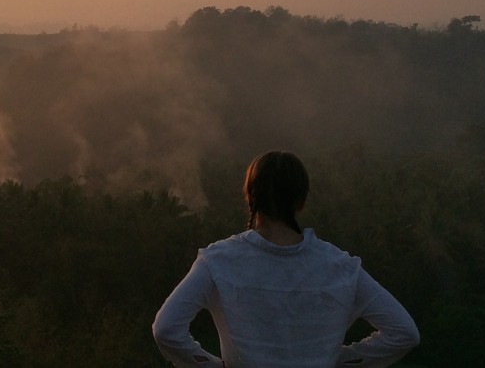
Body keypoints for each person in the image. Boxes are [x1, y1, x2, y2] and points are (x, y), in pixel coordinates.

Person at [153, 151, 419, 368]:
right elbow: (404, 333)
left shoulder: (219, 260)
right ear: (301, 201)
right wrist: (337, 360)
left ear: (250, 198)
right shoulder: (340, 266)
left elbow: (166, 329)